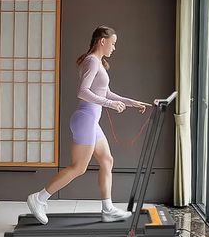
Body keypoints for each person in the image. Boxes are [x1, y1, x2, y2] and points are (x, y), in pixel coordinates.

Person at [27, 25, 152, 225]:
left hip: (91, 121)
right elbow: (82, 92)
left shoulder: (99, 63)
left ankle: (108, 209)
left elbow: (106, 93)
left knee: (107, 160)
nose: (114, 48)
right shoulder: (91, 61)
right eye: (113, 43)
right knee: (78, 167)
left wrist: (131, 103)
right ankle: (39, 198)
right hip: (85, 119)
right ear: (103, 41)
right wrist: (110, 104)